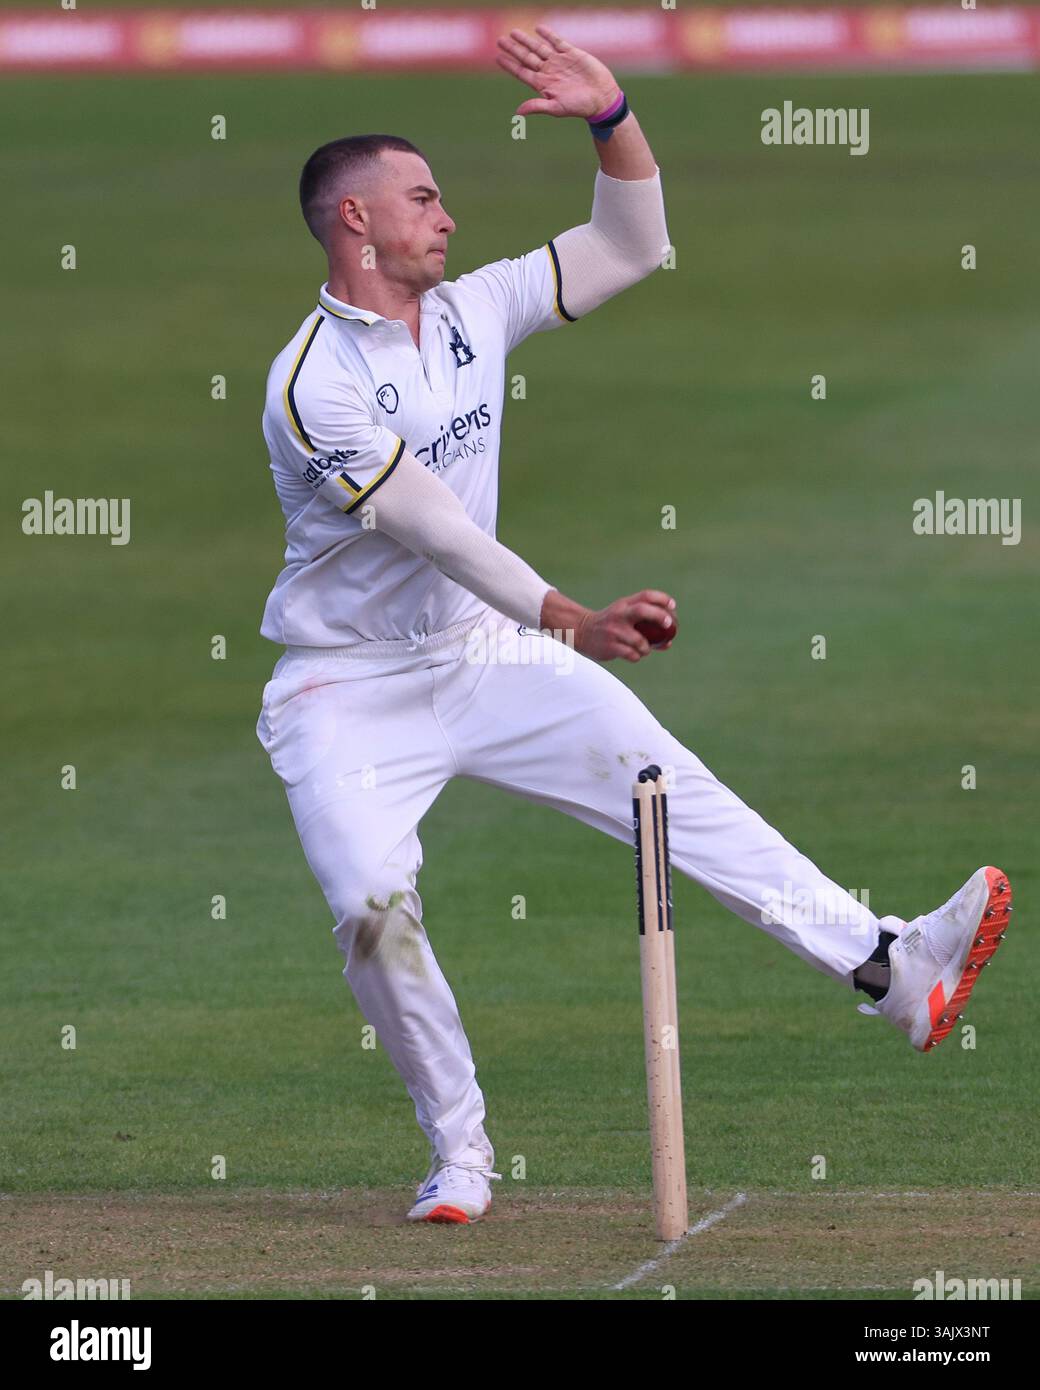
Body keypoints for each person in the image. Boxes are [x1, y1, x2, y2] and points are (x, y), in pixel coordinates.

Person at [255, 25, 1012, 1225]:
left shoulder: (471, 311)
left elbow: (632, 243)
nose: (446, 215)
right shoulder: (313, 383)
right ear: (354, 222)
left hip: (481, 653)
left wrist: (614, 117)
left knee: (670, 788)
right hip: (342, 686)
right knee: (369, 907)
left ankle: (890, 967)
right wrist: (570, 619)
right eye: (422, 196)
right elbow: (432, 526)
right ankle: (459, 1154)